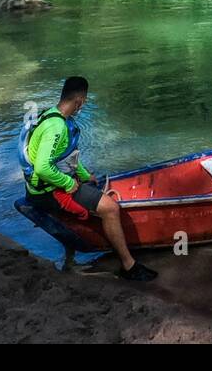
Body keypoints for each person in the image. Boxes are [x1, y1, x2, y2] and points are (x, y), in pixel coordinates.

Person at [20, 75, 156, 281]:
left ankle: (70, 256)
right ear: (79, 100)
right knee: (111, 208)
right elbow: (42, 167)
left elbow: (67, 155)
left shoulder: (52, 115)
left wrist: (84, 176)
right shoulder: (56, 128)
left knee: (94, 187)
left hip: (44, 187)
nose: (83, 104)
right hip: (46, 192)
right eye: (84, 100)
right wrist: (68, 183)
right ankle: (129, 266)